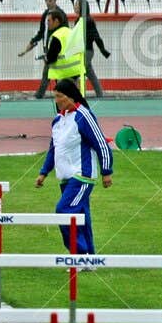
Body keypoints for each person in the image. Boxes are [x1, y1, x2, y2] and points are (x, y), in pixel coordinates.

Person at [35, 78, 113, 256]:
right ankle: (89, 258)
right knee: (82, 217)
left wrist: (106, 171)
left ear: (70, 97)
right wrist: (43, 173)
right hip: (65, 177)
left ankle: (78, 255)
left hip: (82, 175)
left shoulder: (84, 116)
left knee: (64, 210)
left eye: (60, 96)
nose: (57, 100)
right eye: (55, 97)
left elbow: (101, 143)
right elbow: (53, 149)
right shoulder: (57, 121)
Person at [22, 0, 68, 99]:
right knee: (50, 72)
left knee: (51, 73)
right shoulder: (45, 15)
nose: (48, 3)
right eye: (46, 1)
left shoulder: (61, 14)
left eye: (50, 0)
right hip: (47, 47)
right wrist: (32, 42)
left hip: (57, 48)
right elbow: (41, 32)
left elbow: (65, 31)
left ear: (55, 0)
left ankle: (43, 95)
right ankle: (59, 94)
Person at [73, 0, 112, 99]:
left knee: (77, 72)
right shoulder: (79, 20)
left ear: (82, 7)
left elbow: (96, 36)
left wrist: (103, 50)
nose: (75, 7)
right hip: (82, 51)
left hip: (86, 51)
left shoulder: (88, 20)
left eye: (77, 5)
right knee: (90, 73)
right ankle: (100, 94)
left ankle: (79, 95)